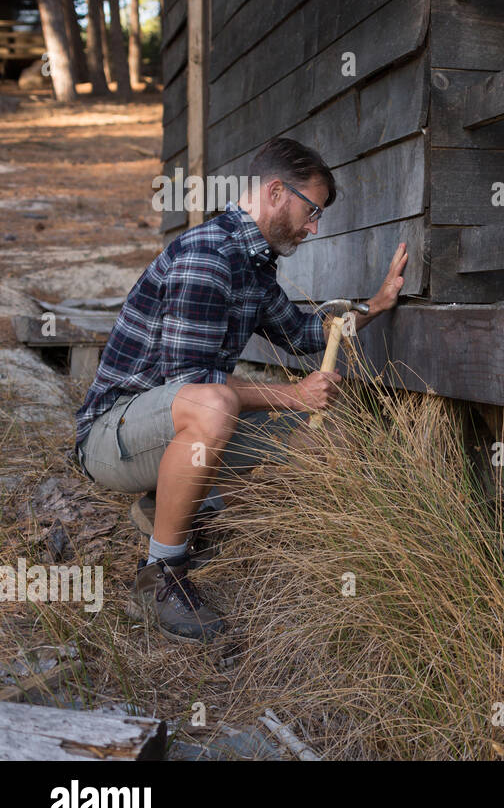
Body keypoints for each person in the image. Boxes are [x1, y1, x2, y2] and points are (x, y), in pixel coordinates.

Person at [72, 137, 408, 644]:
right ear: (276, 192)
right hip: (112, 436)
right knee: (215, 402)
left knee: (329, 437)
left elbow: (303, 336)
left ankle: (187, 511)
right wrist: (293, 396)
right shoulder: (207, 255)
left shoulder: (254, 266)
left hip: (177, 423)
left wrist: (375, 306)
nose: (313, 227)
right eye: (311, 210)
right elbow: (194, 384)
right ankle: (159, 574)